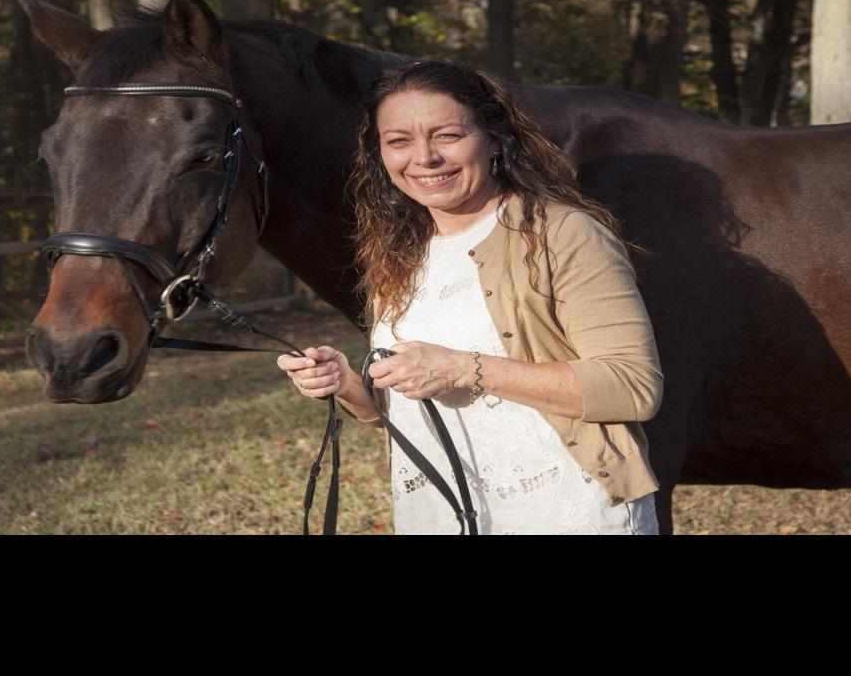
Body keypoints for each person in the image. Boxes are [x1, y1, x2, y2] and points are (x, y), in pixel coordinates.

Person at [276, 61, 664, 534]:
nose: (424, 158)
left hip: (564, 510)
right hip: (437, 514)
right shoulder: (400, 252)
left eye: (447, 136)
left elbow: (632, 387)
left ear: (493, 138)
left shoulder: (562, 233)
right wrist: (348, 386)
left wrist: (463, 368)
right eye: (398, 141)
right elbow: (406, 412)